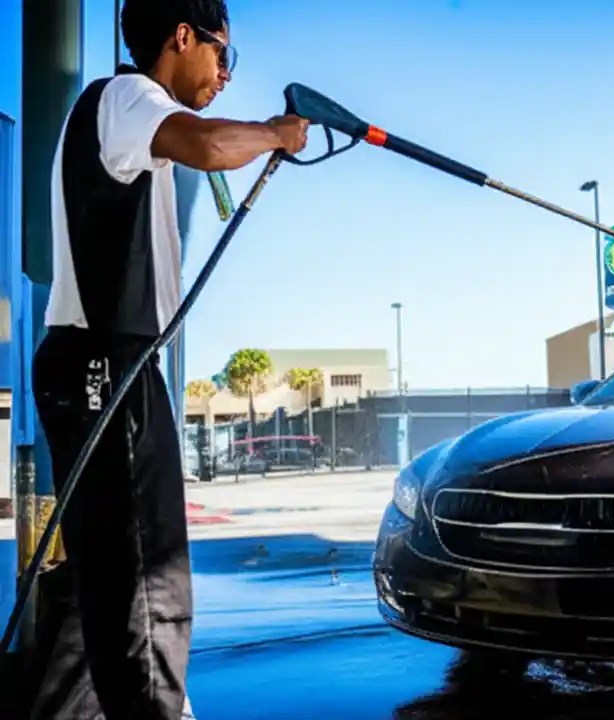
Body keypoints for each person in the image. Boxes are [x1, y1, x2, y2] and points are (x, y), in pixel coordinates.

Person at [27, 0, 308, 717]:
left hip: (96, 363)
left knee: (109, 576)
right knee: (149, 578)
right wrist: (277, 133)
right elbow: (211, 145)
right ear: (182, 36)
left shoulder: (124, 118)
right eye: (222, 55)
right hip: (108, 364)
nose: (223, 75)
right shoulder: (128, 97)